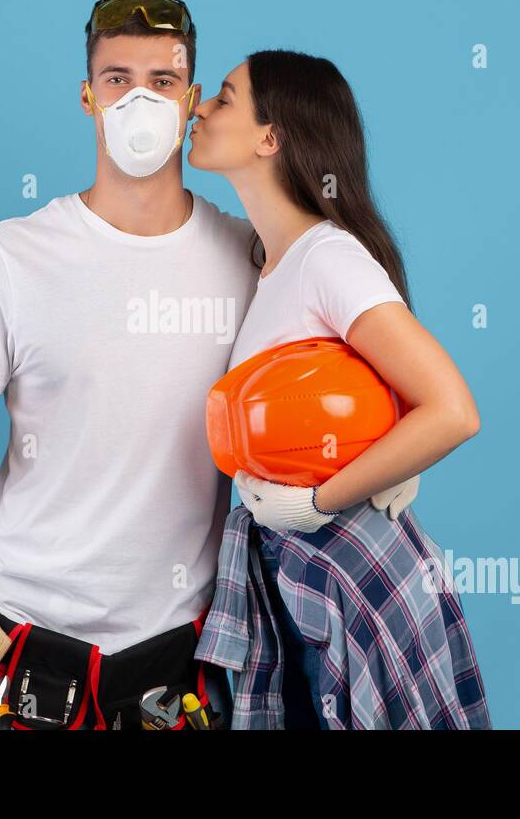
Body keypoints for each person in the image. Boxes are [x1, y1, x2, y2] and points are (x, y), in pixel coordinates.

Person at [188, 49, 492, 729]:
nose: (199, 107)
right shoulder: (271, 263)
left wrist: (317, 500)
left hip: (353, 568)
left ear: (270, 138)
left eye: (225, 98)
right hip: (304, 578)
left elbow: (453, 410)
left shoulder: (327, 258)